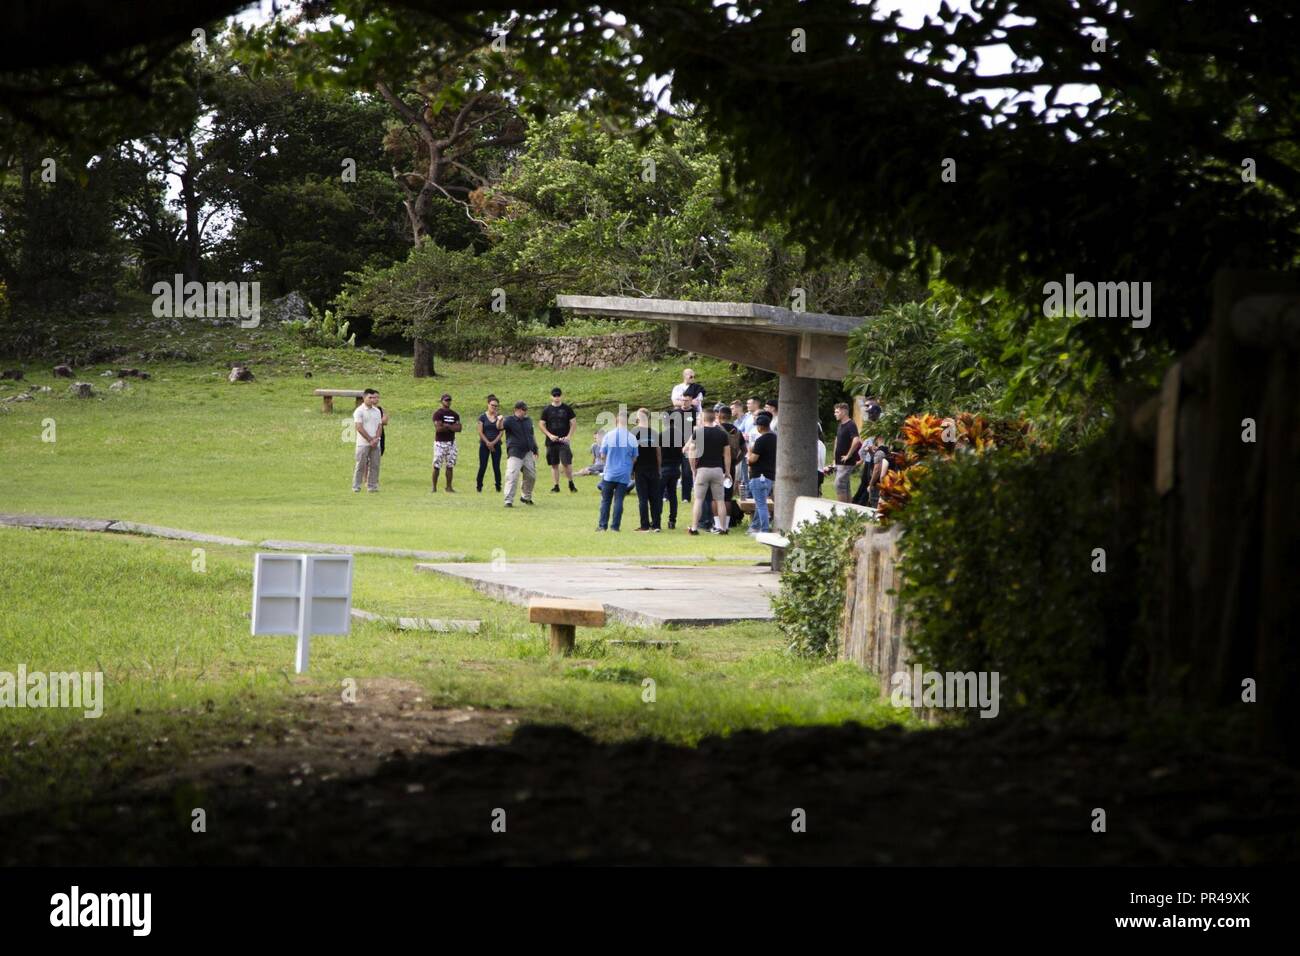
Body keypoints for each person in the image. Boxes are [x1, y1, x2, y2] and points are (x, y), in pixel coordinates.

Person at [686, 406, 731, 535]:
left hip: (702, 469)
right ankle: (723, 528)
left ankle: (694, 528)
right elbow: (727, 455)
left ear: (703, 418)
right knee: (720, 500)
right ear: (714, 418)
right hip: (717, 469)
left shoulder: (698, 432)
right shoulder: (722, 433)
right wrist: (727, 471)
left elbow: (691, 451)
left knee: (698, 500)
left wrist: (693, 468)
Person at [597, 411, 638, 531]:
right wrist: (629, 467)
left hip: (610, 472)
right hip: (624, 473)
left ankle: (602, 525)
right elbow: (635, 457)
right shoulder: (631, 437)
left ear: (616, 421)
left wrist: (607, 464)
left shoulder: (609, 435)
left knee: (606, 500)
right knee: (619, 500)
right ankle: (615, 526)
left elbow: (602, 455)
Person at [500, 400, 539, 507]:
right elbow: (499, 427)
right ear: (516, 410)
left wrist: (535, 448)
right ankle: (508, 500)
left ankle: (526, 497)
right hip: (515, 452)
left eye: (526, 409)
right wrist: (499, 421)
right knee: (512, 475)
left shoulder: (528, 420)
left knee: (531, 475)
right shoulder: (509, 420)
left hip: (528, 451)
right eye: (523, 410)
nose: (525, 412)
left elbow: (531, 435)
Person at [540, 387, 578, 493]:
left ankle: (571, 483)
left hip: (563, 440)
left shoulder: (567, 409)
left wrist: (569, 436)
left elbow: (573, 423)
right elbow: (541, 424)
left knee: (566, 462)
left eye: (558, 395)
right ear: (551, 396)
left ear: (561, 396)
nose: (556, 397)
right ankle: (556, 486)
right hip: (551, 441)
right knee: (554, 464)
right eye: (554, 395)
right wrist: (549, 435)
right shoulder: (547, 410)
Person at [631, 408, 663, 532]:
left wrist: (631, 470)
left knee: (642, 498)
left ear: (638, 417)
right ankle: (656, 525)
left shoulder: (634, 432)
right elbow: (658, 453)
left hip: (640, 468)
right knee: (655, 498)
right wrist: (659, 468)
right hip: (653, 468)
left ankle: (644, 525)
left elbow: (633, 455)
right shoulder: (654, 432)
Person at [746, 412, 776, 533]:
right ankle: (754, 527)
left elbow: (753, 459)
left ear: (761, 426)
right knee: (761, 503)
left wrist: (748, 456)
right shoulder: (775, 438)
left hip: (759, 475)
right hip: (769, 475)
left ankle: (764, 529)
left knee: (761, 505)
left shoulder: (761, 440)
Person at [658, 406, 685, 530]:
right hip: (675, 468)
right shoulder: (681, 436)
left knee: (659, 494)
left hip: (664, 468)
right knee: (673, 495)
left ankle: (657, 519)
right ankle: (672, 520)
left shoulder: (661, 436)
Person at [351, 388, 383, 493]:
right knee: (360, 464)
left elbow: (379, 426)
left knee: (375, 465)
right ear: (364, 398)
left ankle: (372, 486)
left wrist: (377, 438)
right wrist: (370, 439)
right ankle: (356, 486)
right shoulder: (359, 411)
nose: (372, 400)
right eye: (370, 397)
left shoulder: (377, 411)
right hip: (363, 443)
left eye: (373, 397)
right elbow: (359, 427)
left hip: (375, 442)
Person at [430, 392, 462, 492]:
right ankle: (434, 487)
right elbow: (438, 429)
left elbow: (459, 428)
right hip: (440, 443)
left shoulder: (455, 414)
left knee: (450, 465)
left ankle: (449, 487)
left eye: (449, 400)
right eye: (446, 400)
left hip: (451, 443)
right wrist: (451, 427)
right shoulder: (438, 413)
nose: (448, 402)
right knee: (437, 465)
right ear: (442, 401)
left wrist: (447, 426)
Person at [832, 402, 862, 502]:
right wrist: (834, 458)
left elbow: (856, 440)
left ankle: (842, 509)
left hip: (846, 462)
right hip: (839, 461)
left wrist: (848, 455)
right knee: (845, 486)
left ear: (844, 412)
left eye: (837, 412)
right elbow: (837, 440)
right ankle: (849, 508)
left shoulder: (851, 424)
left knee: (839, 484)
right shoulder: (841, 425)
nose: (835, 414)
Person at [476, 394, 503, 493]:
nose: (494, 407)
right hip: (484, 444)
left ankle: (498, 486)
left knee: (496, 466)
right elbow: (480, 431)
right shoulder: (482, 417)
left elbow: (501, 431)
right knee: (483, 465)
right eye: (492, 405)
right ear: (488, 404)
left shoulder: (499, 417)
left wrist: (494, 442)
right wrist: (488, 442)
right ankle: (479, 486)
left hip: (496, 444)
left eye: (496, 406)